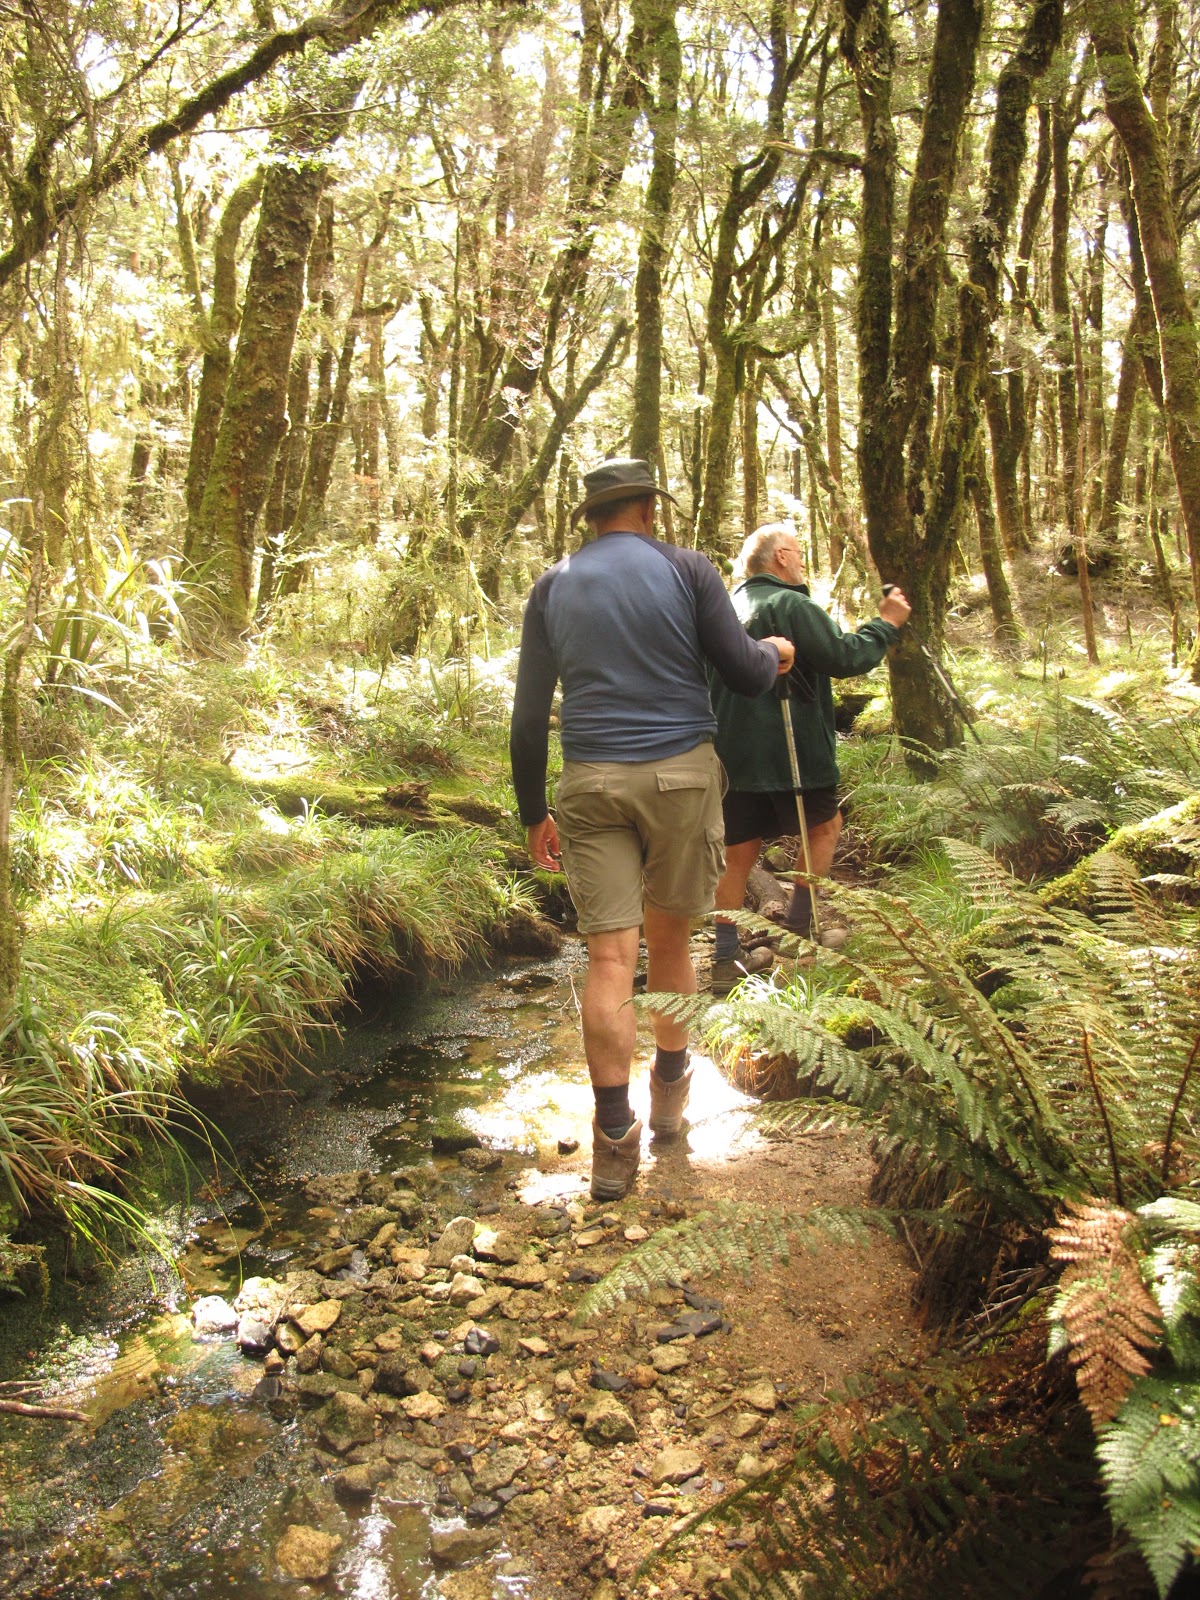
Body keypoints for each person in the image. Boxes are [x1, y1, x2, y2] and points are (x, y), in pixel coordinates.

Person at [510, 460, 796, 1199]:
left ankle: (612, 1140)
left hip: (590, 782)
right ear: (646, 508)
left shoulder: (553, 583)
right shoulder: (688, 569)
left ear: (595, 515)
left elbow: (528, 711)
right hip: (680, 777)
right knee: (670, 941)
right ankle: (670, 1106)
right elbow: (741, 672)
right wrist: (775, 654)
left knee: (610, 958)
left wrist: (531, 811)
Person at [708, 523, 911, 994]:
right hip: (790, 748)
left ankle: (724, 956)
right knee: (822, 828)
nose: (802, 563)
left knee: (737, 850)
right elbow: (843, 656)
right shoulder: (789, 604)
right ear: (780, 556)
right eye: (798, 554)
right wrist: (887, 623)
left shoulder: (723, 607)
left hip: (730, 752)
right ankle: (798, 931)